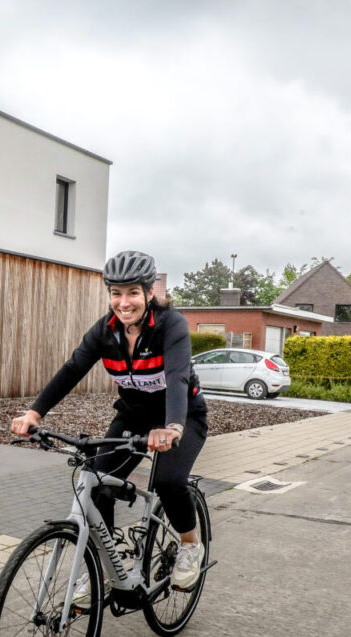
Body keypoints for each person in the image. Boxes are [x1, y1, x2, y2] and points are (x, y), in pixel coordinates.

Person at [11, 250, 208, 595]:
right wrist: (34, 413)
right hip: (134, 416)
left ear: (150, 293)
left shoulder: (170, 325)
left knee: (168, 480)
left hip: (182, 416)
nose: (123, 302)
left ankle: (191, 545)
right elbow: (72, 369)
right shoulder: (105, 331)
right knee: (98, 480)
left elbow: (177, 376)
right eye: (116, 293)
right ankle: (106, 562)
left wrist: (173, 426)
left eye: (132, 292)